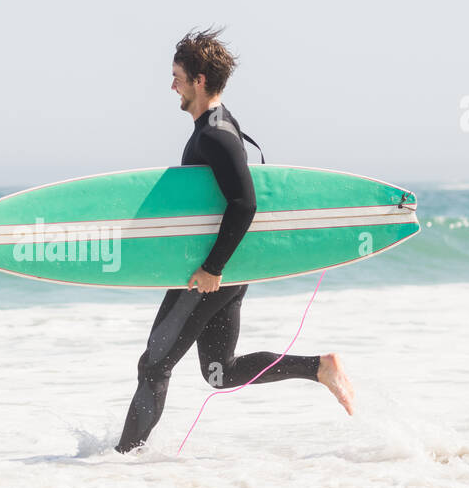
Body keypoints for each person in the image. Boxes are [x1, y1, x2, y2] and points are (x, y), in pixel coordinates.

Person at [115, 28, 355, 454]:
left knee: (154, 364)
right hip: (228, 268)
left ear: (200, 80)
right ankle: (320, 368)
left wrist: (212, 270)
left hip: (211, 272)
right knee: (219, 372)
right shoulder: (219, 125)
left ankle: (121, 460)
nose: (172, 85)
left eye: (177, 76)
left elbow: (244, 204)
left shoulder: (216, 135)